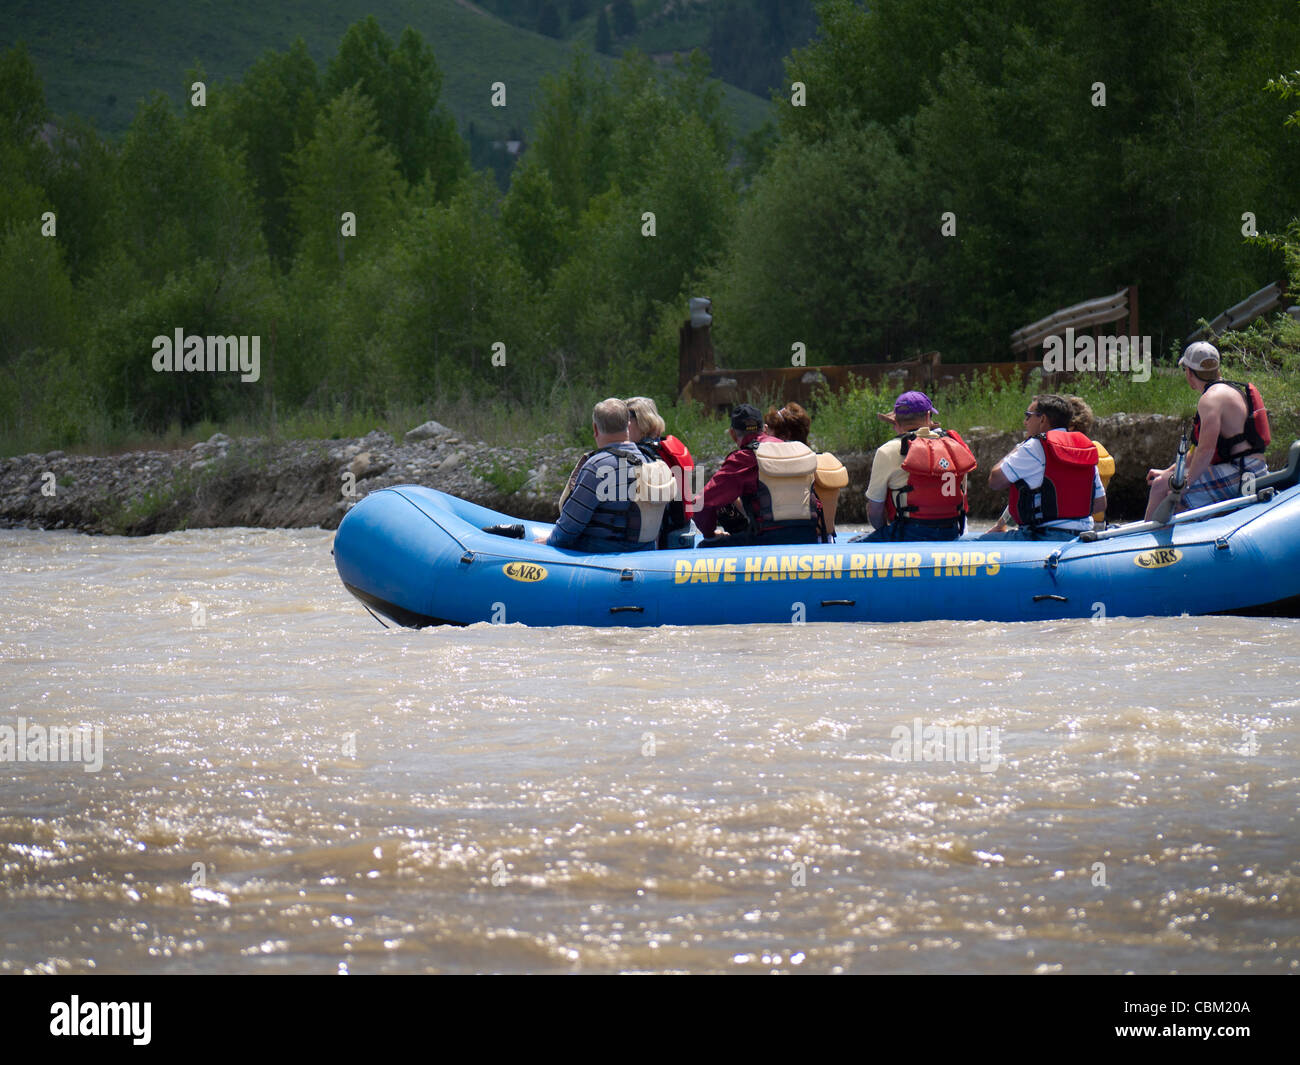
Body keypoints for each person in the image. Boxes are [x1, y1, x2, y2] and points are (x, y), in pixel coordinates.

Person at [1144, 342, 1270, 518]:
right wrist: (1169, 473)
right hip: (1251, 467)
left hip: (1242, 471)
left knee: (1164, 490)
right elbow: (1197, 452)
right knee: (1163, 481)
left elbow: (1206, 450)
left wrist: (1184, 485)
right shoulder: (1229, 390)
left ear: (1189, 372)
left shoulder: (1209, 399)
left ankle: (1146, 540)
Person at [545, 398, 674, 553]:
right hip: (645, 554)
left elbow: (571, 526)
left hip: (600, 553)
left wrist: (549, 542)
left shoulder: (596, 466)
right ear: (627, 425)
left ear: (595, 429)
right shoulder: (654, 463)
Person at [852, 391, 976, 542]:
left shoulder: (887, 451)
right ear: (928, 417)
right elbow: (962, 496)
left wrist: (884, 532)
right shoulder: (954, 446)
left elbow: (875, 511)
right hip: (951, 531)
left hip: (908, 532)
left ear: (896, 422)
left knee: (855, 542)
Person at [694, 403, 819, 547]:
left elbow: (701, 504)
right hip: (809, 535)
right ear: (764, 429)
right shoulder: (797, 450)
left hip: (768, 539)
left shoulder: (743, 458)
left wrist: (710, 534)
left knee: (706, 545)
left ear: (732, 433)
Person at [982, 393, 1104, 540]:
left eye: (1028, 416)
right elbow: (1099, 504)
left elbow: (995, 480)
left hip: (1043, 536)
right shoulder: (1084, 448)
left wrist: (1019, 447)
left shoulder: (1034, 446)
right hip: (1081, 535)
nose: (1025, 422)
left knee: (979, 543)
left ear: (1043, 419)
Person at [765, 403, 848, 541]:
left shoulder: (780, 467)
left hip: (796, 543)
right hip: (826, 541)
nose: (765, 436)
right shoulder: (822, 460)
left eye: (769, 432)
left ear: (785, 436)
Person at [625, 396, 696, 548]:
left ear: (639, 421)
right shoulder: (667, 448)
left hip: (662, 534)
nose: (623, 426)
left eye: (626, 420)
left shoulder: (642, 455)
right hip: (683, 527)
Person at [1067, 396, 1114, 528]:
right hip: (1099, 524)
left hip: (1074, 527)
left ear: (1070, 426)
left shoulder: (1067, 454)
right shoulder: (1097, 450)